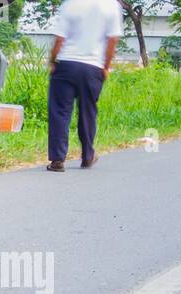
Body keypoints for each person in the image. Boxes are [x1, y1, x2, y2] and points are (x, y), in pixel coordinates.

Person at [47, 0, 123, 172]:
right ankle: (88, 156)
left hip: (66, 64)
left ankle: (57, 160)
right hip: (93, 67)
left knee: (60, 112)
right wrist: (106, 67)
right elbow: (113, 40)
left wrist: (53, 61)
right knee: (88, 112)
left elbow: (59, 39)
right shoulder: (111, 5)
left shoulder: (70, 3)